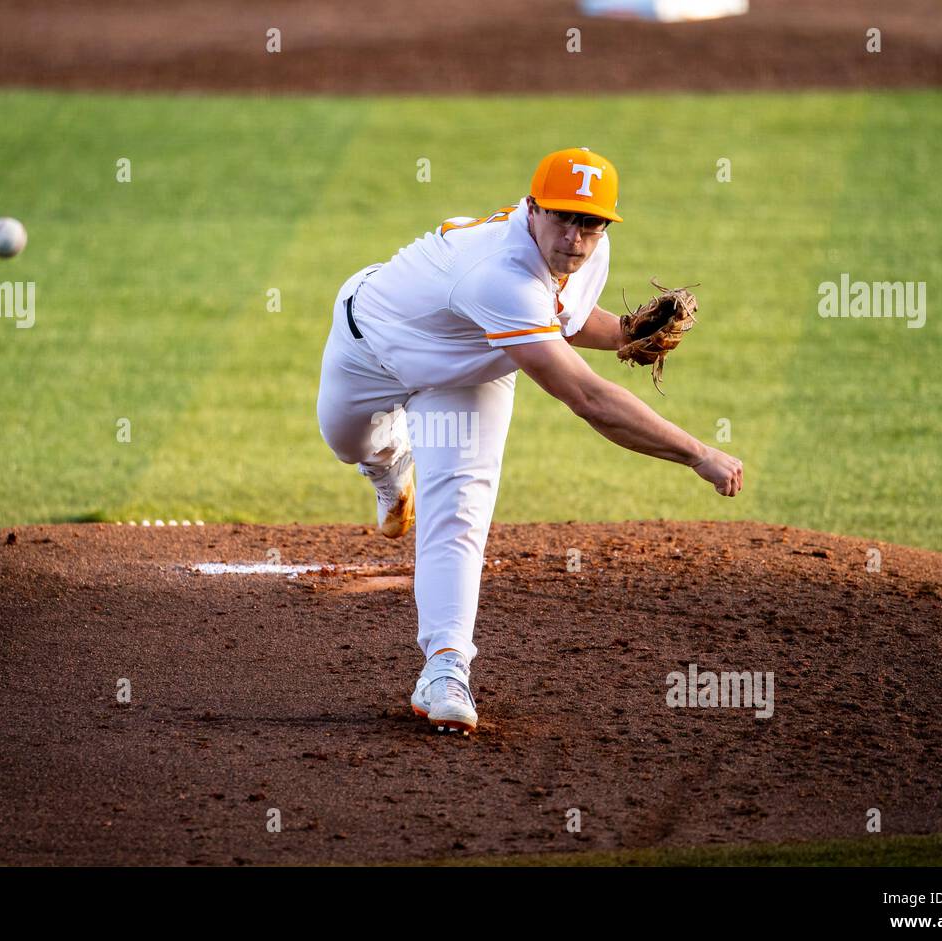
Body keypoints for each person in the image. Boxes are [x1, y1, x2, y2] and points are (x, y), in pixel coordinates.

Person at [316, 147, 743, 735]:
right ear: (532, 208)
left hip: (467, 379)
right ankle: (388, 466)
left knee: (460, 512)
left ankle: (445, 669)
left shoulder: (585, 253)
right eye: (564, 217)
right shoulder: (497, 273)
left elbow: (561, 315)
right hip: (369, 351)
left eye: (591, 222)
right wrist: (698, 452)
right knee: (347, 443)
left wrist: (620, 332)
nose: (577, 236)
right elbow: (588, 398)